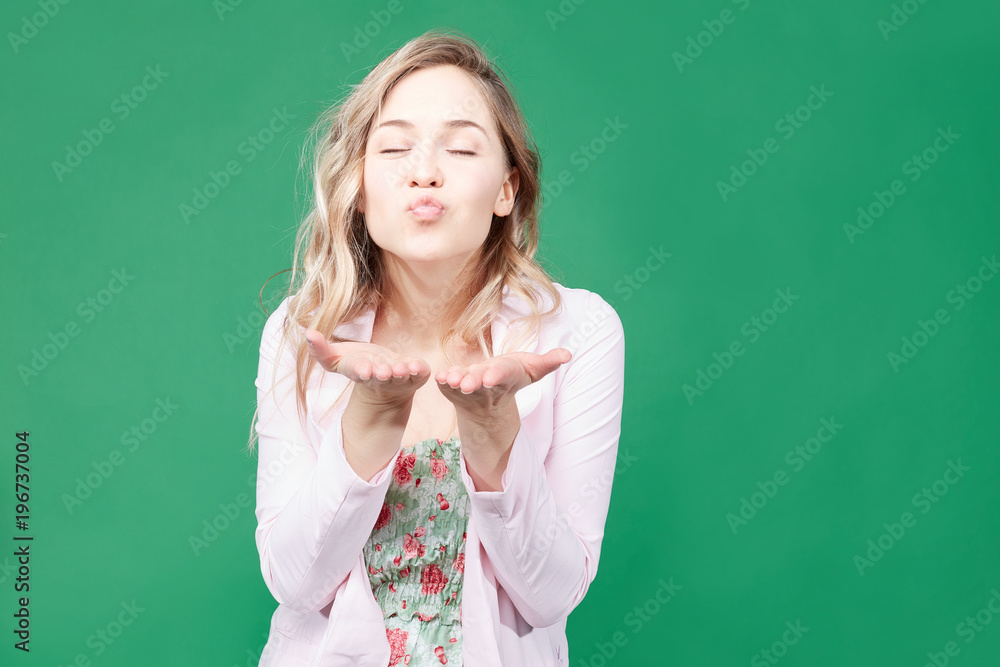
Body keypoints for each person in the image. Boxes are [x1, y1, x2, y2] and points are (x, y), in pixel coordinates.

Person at [248, 28, 625, 667]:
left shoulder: (579, 330)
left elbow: (552, 596)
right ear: (359, 186)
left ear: (507, 190)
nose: (424, 171)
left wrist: (493, 431)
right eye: (395, 147)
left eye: (460, 147)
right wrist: (371, 416)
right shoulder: (303, 330)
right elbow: (295, 584)